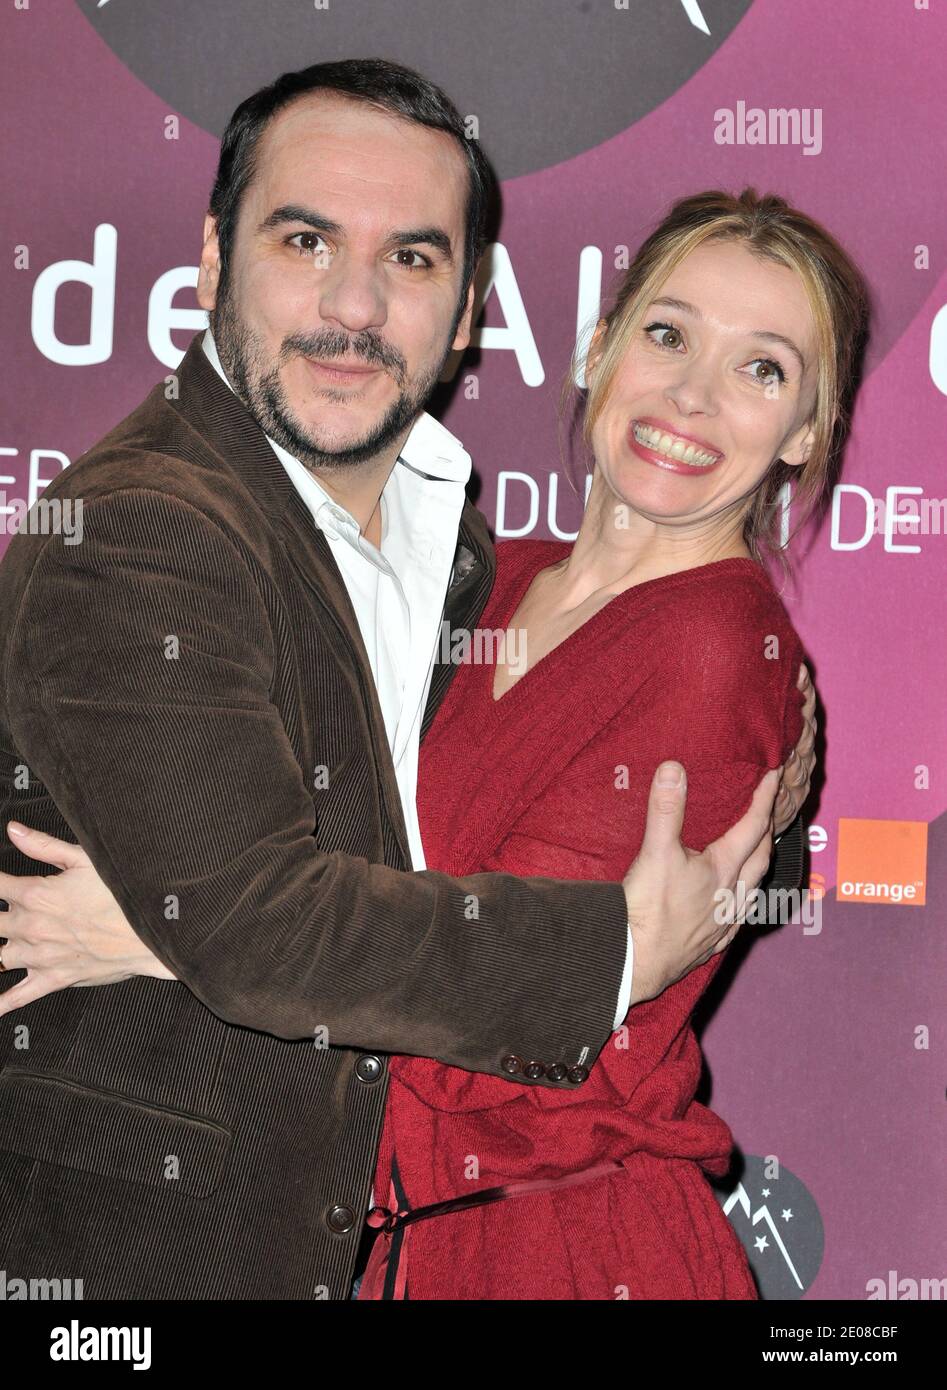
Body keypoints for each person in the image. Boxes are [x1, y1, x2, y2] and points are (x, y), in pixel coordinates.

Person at [0, 63, 814, 1301]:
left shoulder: (451, 549)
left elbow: (305, 932)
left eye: (414, 259)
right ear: (212, 261)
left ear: (471, 304)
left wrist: (178, 934)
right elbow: (276, 921)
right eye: (306, 238)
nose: (355, 303)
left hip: (533, 1245)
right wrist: (614, 946)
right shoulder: (158, 533)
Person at [356, 189, 869, 1300]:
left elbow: (489, 996)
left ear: (806, 435)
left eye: (761, 369)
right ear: (599, 346)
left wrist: (154, 938)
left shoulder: (715, 647)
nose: (691, 394)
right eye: (668, 333)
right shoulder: (491, 578)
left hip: (563, 1251)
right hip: (414, 1232)